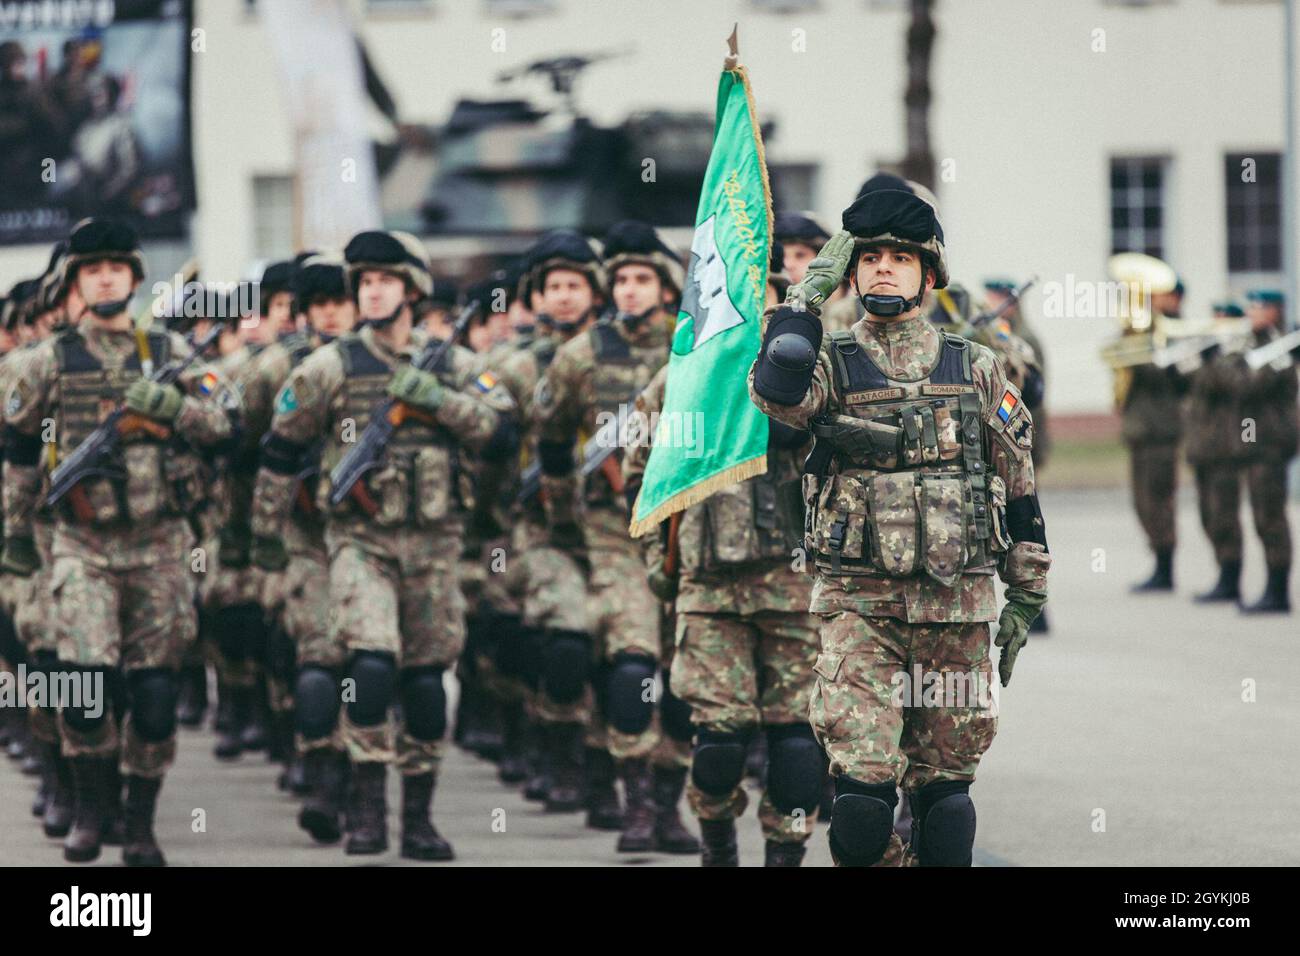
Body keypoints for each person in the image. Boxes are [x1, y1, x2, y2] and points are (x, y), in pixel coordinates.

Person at [748, 186, 1050, 866]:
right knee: (862, 797)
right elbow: (778, 389)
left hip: (956, 608)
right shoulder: (827, 358)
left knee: (946, 799)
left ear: (930, 274)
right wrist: (801, 303)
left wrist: (1027, 593)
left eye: (902, 259)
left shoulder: (971, 364)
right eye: (871, 257)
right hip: (861, 611)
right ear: (851, 271)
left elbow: (1020, 482)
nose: (885, 269)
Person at [250, 230, 516, 859]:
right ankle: (365, 808)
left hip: (435, 545)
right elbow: (280, 450)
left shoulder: (450, 363)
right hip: (358, 544)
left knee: (425, 684)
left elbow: (501, 432)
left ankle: (417, 819)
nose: (371, 291)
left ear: (412, 290)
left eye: (384, 281)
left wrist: (438, 402)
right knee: (369, 666)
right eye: (363, 282)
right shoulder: (328, 367)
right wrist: (265, 537)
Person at [1, 218, 241, 866]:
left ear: (135, 277)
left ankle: (139, 823)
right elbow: (20, 454)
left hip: (161, 543)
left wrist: (169, 409)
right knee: (83, 686)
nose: (105, 278)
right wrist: (15, 536)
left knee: (156, 697)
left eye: (116, 267)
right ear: (75, 283)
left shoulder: (169, 354)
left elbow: (229, 426)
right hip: (80, 546)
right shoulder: (43, 361)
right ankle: (89, 809)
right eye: (91, 269)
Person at [624, 248, 817, 866]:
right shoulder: (682, 374)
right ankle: (718, 849)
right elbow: (641, 476)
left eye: (761, 294)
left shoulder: (815, 370)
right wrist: (661, 555)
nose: (749, 307)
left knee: (795, 745)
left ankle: (785, 855)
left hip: (794, 584)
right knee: (720, 743)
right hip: (709, 588)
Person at [1187, 291, 1295, 613]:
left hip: (1270, 444)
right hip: (1254, 443)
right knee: (1261, 518)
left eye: (1259, 307)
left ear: (1276, 311)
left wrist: (1218, 359)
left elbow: (1245, 386)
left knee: (1270, 518)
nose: (1251, 312)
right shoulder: (1253, 346)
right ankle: (1263, 588)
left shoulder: (1279, 350)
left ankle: (1278, 591)